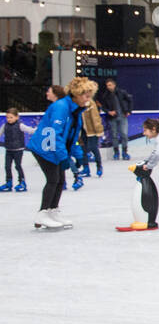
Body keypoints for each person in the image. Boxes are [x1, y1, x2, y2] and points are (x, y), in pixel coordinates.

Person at [29, 76, 95, 229]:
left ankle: (52, 211)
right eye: (86, 95)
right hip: (44, 147)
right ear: (77, 94)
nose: (88, 98)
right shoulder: (61, 107)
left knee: (59, 180)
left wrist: (78, 156)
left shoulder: (76, 111)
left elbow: (72, 138)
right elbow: (54, 134)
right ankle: (42, 213)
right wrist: (63, 157)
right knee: (53, 179)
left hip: (54, 147)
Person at [0, 107, 34, 192]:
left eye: (11, 117)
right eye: (7, 117)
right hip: (8, 149)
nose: (9, 119)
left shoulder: (20, 125)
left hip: (18, 150)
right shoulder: (5, 126)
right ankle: (9, 182)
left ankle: (22, 182)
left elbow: (30, 130)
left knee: (17, 165)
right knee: (7, 166)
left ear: (17, 117)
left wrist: (38, 130)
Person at [99, 78, 133, 160]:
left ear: (114, 85)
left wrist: (129, 111)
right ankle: (116, 152)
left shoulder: (122, 92)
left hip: (123, 115)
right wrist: (109, 112)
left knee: (124, 134)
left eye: (110, 85)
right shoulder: (105, 95)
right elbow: (103, 106)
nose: (108, 87)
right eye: (107, 85)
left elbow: (130, 100)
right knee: (114, 135)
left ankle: (124, 152)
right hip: (112, 117)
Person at [78, 92, 105, 178]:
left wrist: (98, 131)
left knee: (93, 147)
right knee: (83, 149)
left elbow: (95, 118)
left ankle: (99, 166)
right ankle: (86, 168)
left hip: (92, 130)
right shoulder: (78, 104)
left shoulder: (90, 103)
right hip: (82, 130)